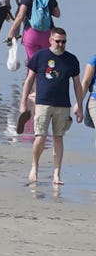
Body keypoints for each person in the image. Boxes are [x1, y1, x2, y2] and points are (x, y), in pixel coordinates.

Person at [20, 26, 84, 187]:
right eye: (58, 41)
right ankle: (35, 166)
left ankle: (57, 173)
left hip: (63, 105)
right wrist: (23, 103)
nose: (61, 44)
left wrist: (80, 107)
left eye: (64, 42)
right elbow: (29, 80)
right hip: (42, 103)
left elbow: (77, 84)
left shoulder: (71, 60)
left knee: (58, 138)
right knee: (40, 137)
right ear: (50, 40)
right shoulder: (40, 56)